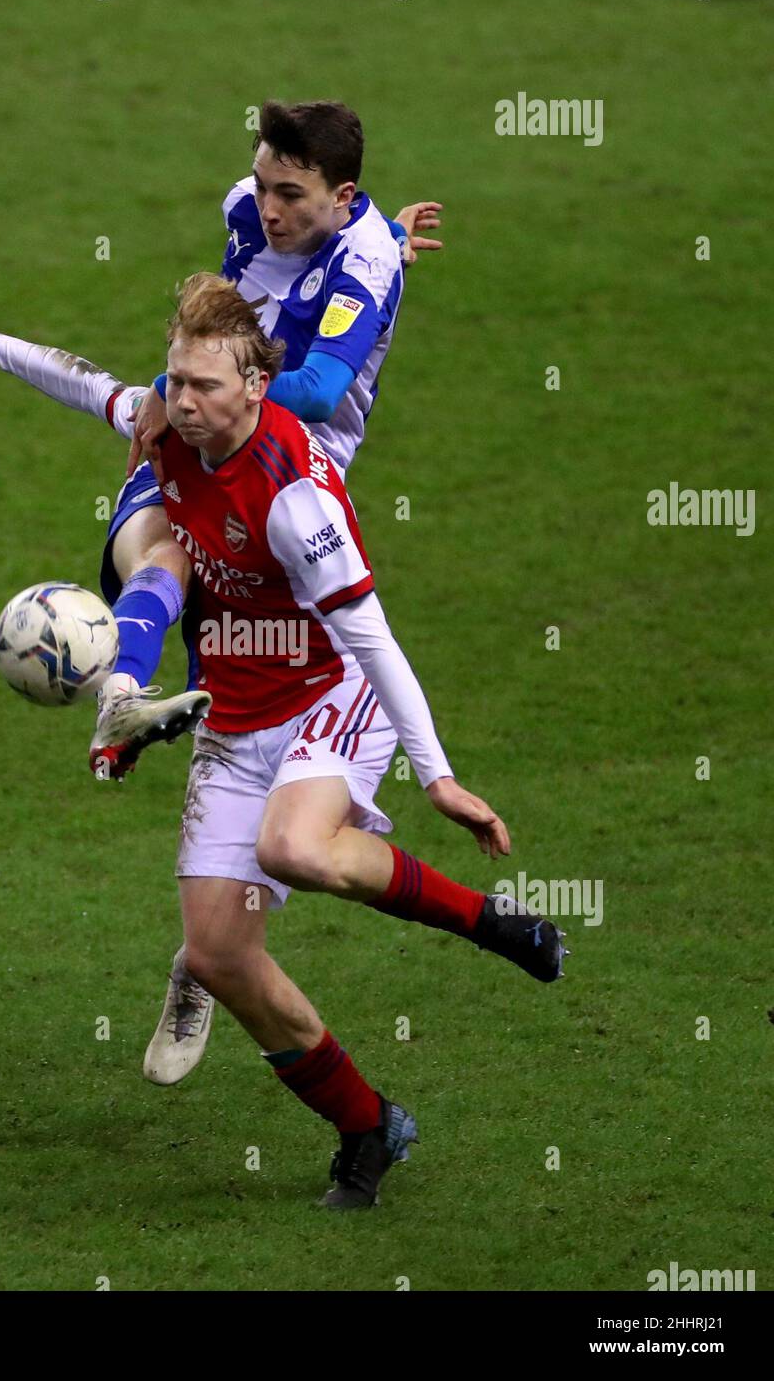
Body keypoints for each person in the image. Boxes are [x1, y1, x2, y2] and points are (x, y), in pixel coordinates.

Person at [0, 99, 444, 1087]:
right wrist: (179, 395)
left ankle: (203, 959)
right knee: (163, 559)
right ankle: (123, 695)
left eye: (294, 196)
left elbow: (316, 394)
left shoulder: (358, 262)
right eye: (265, 186)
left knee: (245, 735)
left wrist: (195, 392)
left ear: (342, 197)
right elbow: (237, 301)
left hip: (283, 471)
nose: (268, 209)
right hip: (202, 451)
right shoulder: (250, 210)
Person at [131, 272, 568, 1207]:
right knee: (217, 958)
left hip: (331, 692)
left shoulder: (294, 501)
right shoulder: (169, 423)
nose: (182, 400)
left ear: (257, 386)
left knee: (290, 848)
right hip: (234, 718)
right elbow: (77, 381)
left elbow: (371, 638)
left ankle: (488, 922)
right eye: (174, 381)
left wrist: (437, 776)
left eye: (205, 385)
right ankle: (369, 1127)